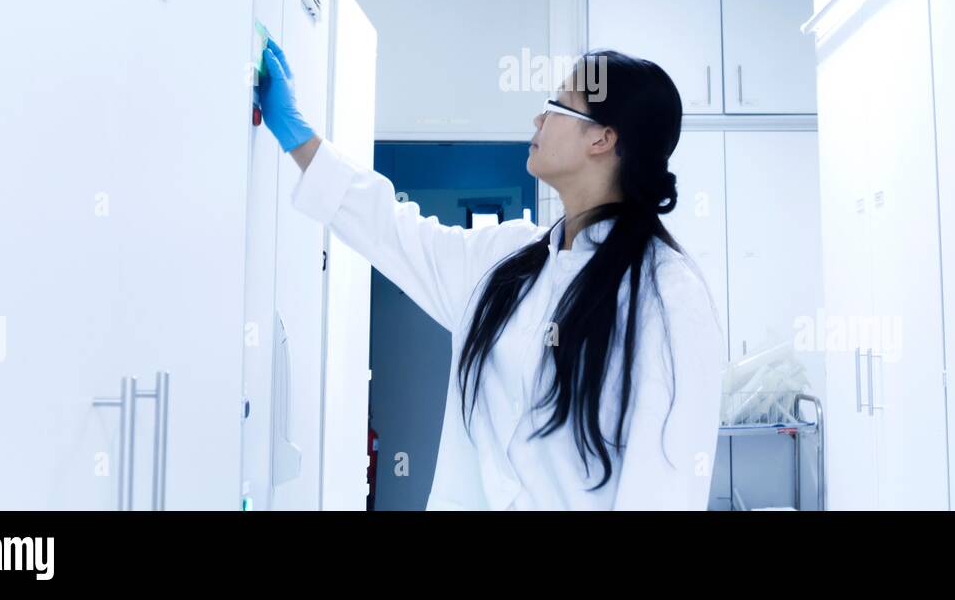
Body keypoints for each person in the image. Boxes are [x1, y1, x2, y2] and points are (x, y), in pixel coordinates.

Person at [256, 40, 725, 510]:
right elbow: (393, 232)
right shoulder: (506, 259)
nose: (538, 120)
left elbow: (667, 486)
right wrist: (296, 135)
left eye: (556, 105)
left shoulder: (667, 294)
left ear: (602, 139)